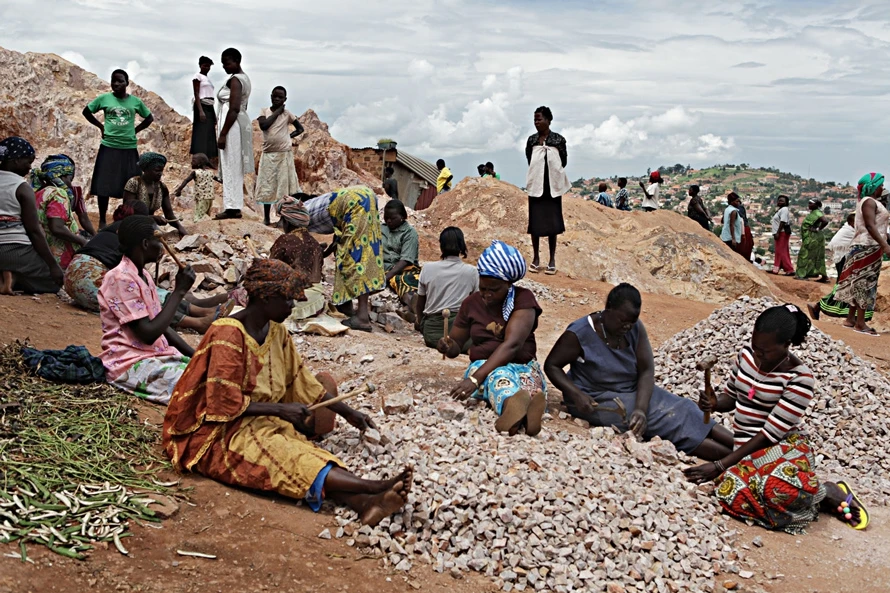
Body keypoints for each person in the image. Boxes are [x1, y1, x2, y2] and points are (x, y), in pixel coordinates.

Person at [163, 259, 412, 526]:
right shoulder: (227, 334)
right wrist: (281, 409)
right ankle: (373, 486)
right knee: (290, 457)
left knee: (304, 455)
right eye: (287, 300)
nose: (292, 307)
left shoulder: (277, 332)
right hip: (220, 433)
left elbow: (301, 382)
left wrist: (349, 413)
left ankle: (364, 503)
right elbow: (222, 405)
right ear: (266, 297)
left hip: (264, 422)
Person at [685, 305, 869, 534]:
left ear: (786, 344)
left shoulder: (800, 378)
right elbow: (731, 398)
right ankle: (809, 497)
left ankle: (826, 492)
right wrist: (714, 404)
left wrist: (721, 465)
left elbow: (769, 435)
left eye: (765, 352)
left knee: (776, 489)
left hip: (781, 447)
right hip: (748, 451)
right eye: (755, 348)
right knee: (729, 493)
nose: (758, 357)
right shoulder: (746, 356)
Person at [544, 283, 734, 458]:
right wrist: (576, 394)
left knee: (684, 408)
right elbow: (551, 365)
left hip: (631, 390)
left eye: (632, 322)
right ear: (608, 309)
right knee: (664, 420)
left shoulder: (634, 328)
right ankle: (732, 457)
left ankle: (743, 448)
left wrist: (640, 409)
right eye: (622, 321)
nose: (627, 327)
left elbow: (646, 371)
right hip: (595, 398)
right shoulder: (580, 332)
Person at [438, 241, 547, 436]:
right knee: (500, 379)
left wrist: (474, 379)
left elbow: (512, 345)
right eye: (483, 288)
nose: (487, 295)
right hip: (485, 366)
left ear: (508, 283)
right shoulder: (471, 304)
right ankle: (512, 410)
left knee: (527, 384)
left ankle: (523, 411)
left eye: (494, 290)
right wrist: (447, 345)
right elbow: (456, 346)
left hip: (522, 364)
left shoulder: (524, 300)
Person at [64, 202, 225, 331]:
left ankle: (203, 312)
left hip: (74, 275)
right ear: (145, 242)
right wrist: (177, 291)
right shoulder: (129, 236)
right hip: (89, 276)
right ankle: (197, 320)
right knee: (147, 298)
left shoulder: (115, 231)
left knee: (149, 292)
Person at [97, 215, 197, 404]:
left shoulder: (142, 276)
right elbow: (148, 333)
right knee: (201, 389)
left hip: (155, 357)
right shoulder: (120, 279)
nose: (162, 247)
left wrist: (196, 356)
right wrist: (179, 292)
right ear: (145, 243)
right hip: (128, 363)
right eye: (158, 240)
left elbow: (162, 326)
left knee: (212, 373)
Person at [301, 186, 385, 331]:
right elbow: (338, 238)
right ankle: (345, 304)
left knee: (356, 258)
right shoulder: (331, 205)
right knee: (354, 251)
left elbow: (298, 243)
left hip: (356, 200)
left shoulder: (302, 212)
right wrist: (325, 253)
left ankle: (362, 318)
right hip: (365, 196)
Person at [82, 69, 154, 228]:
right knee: (103, 185)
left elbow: (149, 118)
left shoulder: (135, 101)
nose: (116, 84)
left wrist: (135, 130)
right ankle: (102, 221)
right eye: (113, 80)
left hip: (129, 148)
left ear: (127, 83)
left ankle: (124, 220)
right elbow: (86, 111)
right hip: (109, 146)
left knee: (130, 185)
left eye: (120, 81)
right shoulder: (104, 99)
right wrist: (100, 126)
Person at [0, 137, 64, 295]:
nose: (29, 167)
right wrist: (52, 265)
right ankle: (11, 277)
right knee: (53, 281)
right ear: (16, 161)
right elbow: (33, 230)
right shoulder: (21, 187)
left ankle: (5, 275)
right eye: (28, 162)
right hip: (15, 250)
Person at [833, 172, 890, 335]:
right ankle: (860, 323)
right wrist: (884, 245)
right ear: (873, 186)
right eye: (880, 185)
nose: (882, 188)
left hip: (868, 246)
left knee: (858, 282)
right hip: (867, 247)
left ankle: (851, 319)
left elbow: (878, 227)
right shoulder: (869, 202)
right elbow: (871, 227)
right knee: (864, 284)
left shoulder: (868, 202)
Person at [414, 227, 478, 348]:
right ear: (461, 245)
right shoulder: (472, 272)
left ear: (441, 246)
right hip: (461, 335)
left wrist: (421, 324)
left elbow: (420, 303)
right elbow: (477, 305)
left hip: (431, 334)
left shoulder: (427, 268)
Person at [525, 106, 569, 275]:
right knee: (535, 224)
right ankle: (536, 258)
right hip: (536, 186)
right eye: (535, 119)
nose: (536, 122)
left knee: (552, 225)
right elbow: (530, 159)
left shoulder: (558, 140)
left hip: (552, 188)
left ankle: (551, 260)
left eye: (539, 119)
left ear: (549, 120)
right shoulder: (531, 141)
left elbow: (562, 161)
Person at [807, 214, 873, 323]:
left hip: (844, 257)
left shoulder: (849, 228)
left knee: (845, 286)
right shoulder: (851, 231)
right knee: (844, 286)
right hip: (844, 257)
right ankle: (818, 306)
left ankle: (850, 318)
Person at [270, 196, 326, 320]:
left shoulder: (284, 240)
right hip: (315, 301)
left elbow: (270, 272)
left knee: (240, 293)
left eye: (281, 220)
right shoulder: (315, 243)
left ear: (287, 221)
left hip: (292, 299)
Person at [30, 155, 89, 270]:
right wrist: (82, 241)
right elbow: (56, 227)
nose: (70, 184)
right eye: (69, 178)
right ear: (63, 176)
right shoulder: (58, 193)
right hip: (58, 256)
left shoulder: (38, 193)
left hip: (42, 253)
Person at [255, 86, 303, 226]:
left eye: (280, 97)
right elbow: (264, 125)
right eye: (275, 96)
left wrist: (289, 137)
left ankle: (283, 218)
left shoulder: (287, 114)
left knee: (283, 187)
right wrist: (277, 112)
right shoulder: (264, 111)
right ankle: (266, 218)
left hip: (283, 155)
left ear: (285, 99)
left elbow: (300, 128)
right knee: (267, 186)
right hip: (268, 154)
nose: (277, 99)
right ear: (270, 96)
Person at [214, 48, 253, 220]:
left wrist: (223, 134)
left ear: (237, 61)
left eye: (227, 63)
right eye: (223, 64)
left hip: (233, 126)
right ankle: (233, 205)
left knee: (231, 164)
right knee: (232, 164)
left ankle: (232, 207)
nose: (224, 67)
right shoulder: (242, 79)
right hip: (237, 124)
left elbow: (235, 108)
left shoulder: (236, 80)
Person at [122, 152, 187, 236]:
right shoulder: (134, 183)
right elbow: (127, 212)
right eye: (156, 170)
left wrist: (180, 228)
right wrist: (152, 218)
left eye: (161, 170)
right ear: (145, 170)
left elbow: (169, 215)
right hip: (132, 224)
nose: (160, 173)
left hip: (149, 225)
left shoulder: (162, 187)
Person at [382, 199, 421, 312]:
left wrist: (387, 277)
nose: (389, 221)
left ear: (402, 217)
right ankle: (413, 309)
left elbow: (405, 260)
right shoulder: (381, 229)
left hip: (404, 269)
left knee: (404, 282)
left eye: (393, 218)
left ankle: (414, 306)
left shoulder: (410, 233)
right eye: (386, 217)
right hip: (383, 268)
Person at [173, 153, 220, 222]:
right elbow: (219, 180)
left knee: (198, 215)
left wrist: (179, 189)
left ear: (199, 163)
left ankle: (198, 226)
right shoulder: (210, 172)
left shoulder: (195, 173)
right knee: (206, 213)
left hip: (201, 198)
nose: (191, 162)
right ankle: (206, 226)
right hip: (210, 198)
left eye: (193, 161)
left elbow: (186, 181)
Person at [190, 56, 218, 165]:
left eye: (208, 66)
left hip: (210, 106)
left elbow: (210, 96)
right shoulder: (197, 77)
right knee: (201, 132)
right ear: (200, 65)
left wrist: (214, 114)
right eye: (204, 65)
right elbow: (196, 94)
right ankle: (199, 159)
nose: (207, 68)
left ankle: (209, 159)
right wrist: (200, 111)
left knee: (210, 133)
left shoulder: (208, 80)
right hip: (201, 105)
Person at [795, 199, 829, 282]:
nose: (809, 205)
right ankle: (822, 276)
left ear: (816, 205)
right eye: (808, 203)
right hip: (813, 237)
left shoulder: (817, 213)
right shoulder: (814, 212)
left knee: (804, 254)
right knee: (817, 256)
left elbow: (825, 221)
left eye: (811, 203)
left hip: (813, 237)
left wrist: (817, 229)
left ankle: (802, 274)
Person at [770, 195, 794, 275]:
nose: (780, 202)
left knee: (781, 251)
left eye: (782, 201)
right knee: (779, 251)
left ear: (786, 202)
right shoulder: (780, 210)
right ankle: (776, 268)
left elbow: (783, 221)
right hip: (780, 232)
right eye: (779, 200)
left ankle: (789, 269)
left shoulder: (784, 209)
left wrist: (778, 232)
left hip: (782, 232)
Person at [735, 194, 755, 262]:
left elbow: (740, 219)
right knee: (745, 245)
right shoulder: (739, 207)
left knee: (743, 245)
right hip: (744, 228)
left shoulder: (739, 208)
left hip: (743, 228)